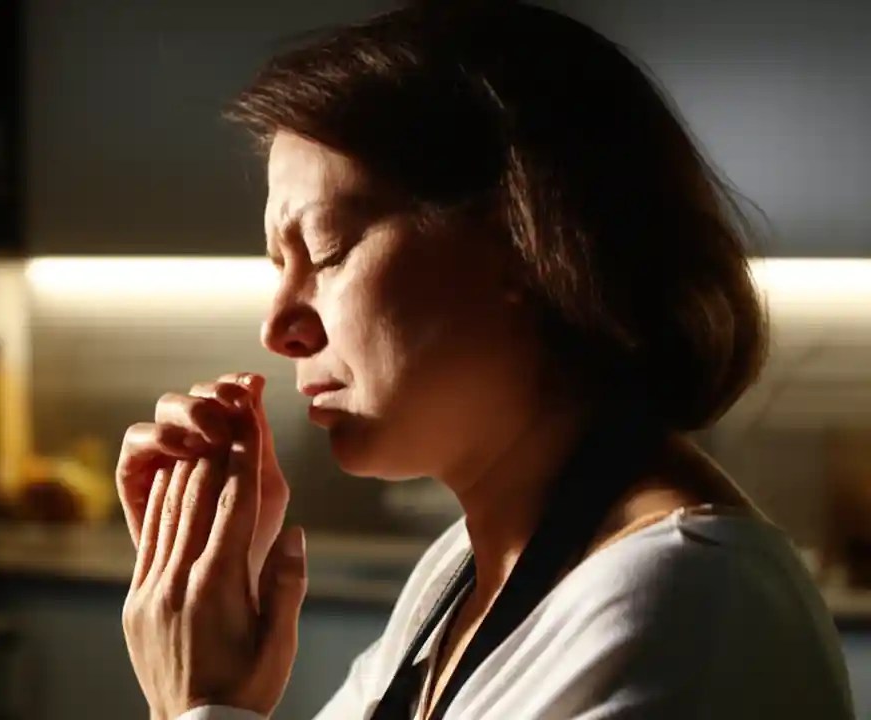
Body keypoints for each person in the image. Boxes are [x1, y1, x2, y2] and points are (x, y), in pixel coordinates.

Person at [114, 2, 855, 718]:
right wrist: (206, 659)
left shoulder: (689, 606)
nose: (279, 327)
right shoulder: (462, 574)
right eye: (279, 264)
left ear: (522, 245)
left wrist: (199, 707)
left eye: (328, 251)